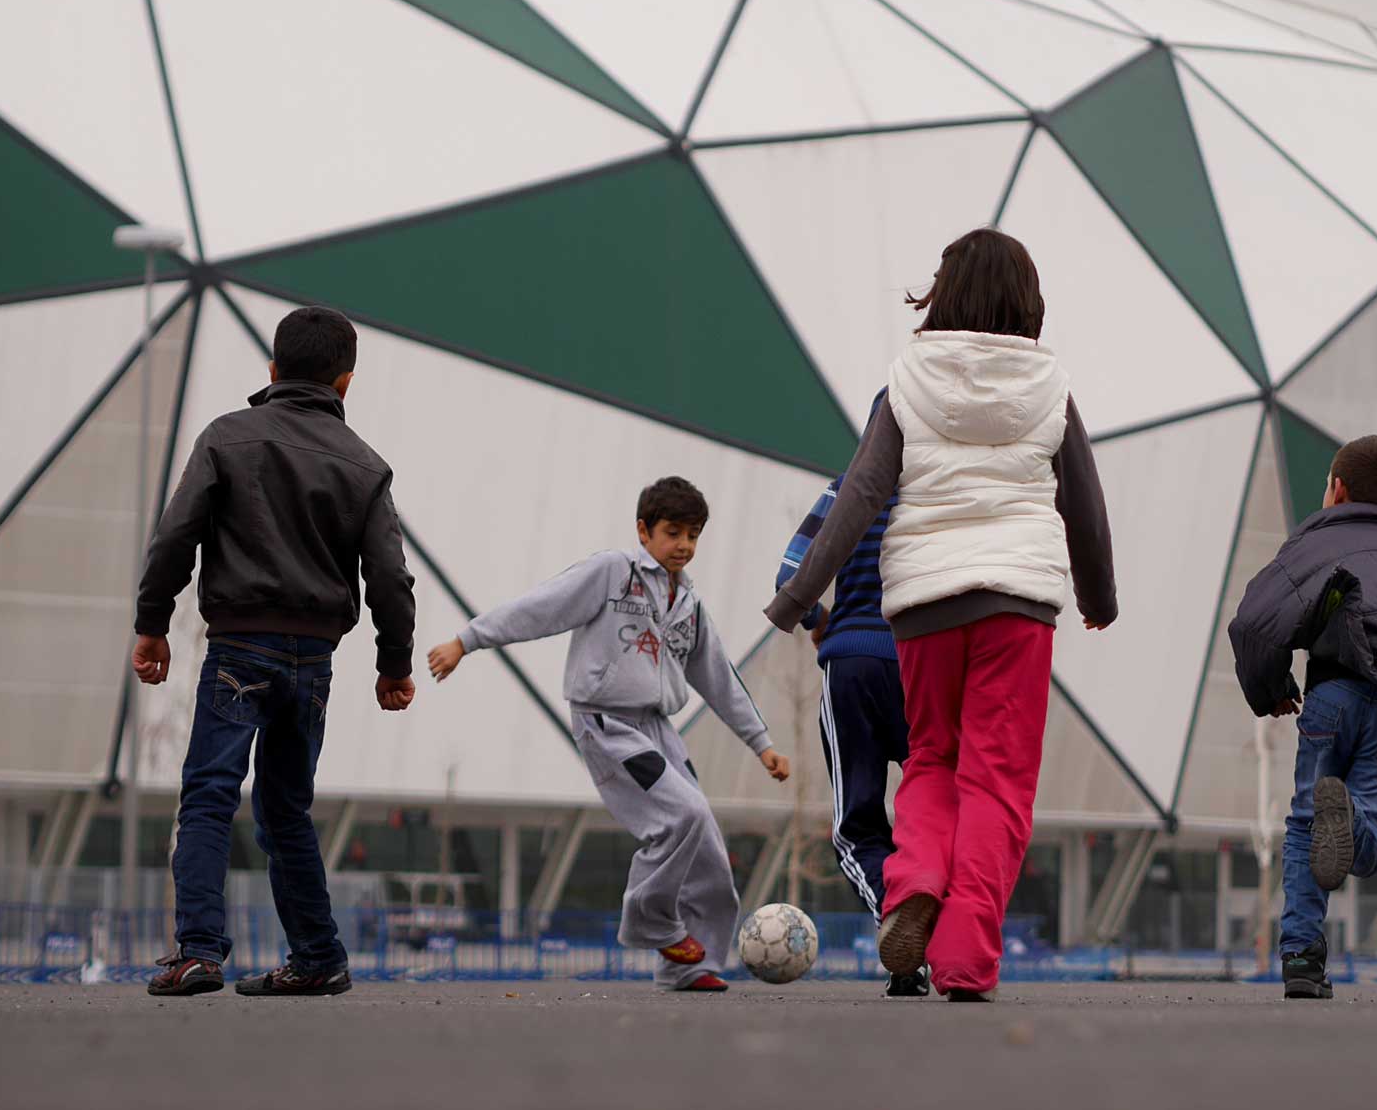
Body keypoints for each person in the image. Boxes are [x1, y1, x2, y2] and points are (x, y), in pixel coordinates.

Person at [766, 228, 1116, 1002]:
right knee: (994, 781)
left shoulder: (906, 384)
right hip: (1016, 607)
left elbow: (858, 497)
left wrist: (797, 598)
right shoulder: (1051, 389)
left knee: (930, 760)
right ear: (1028, 302)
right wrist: (1099, 598)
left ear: (942, 294)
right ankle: (964, 960)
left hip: (921, 607)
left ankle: (915, 881)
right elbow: (1083, 505)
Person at [132, 305, 417, 998]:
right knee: (286, 811)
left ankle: (199, 951)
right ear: (344, 383)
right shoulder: (366, 466)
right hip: (313, 662)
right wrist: (394, 665)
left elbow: (175, 538)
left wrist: (153, 622)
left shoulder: (228, 437)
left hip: (239, 648)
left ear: (271, 370)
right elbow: (389, 577)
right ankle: (319, 957)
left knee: (207, 796)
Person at [426, 476, 790, 992]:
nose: (683, 545)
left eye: (693, 535)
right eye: (672, 532)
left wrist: (762, 744)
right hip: (606, 723)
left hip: (659, 730)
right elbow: (541, 606)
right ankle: (652, 922)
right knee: (678, 816)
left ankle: (691, 966)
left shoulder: (689, 602)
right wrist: (467, 640)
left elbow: (719, 679)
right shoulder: (612, 573)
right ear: (644, 531)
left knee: (707, 845)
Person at [1227, 434, 1377, 999]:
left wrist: (1271, 688)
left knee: (1303, 824)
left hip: (1331, 699)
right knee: (1370, 839)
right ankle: (1355, 826)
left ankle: (1302, 962)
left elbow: (1253, 624)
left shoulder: (1311, 549)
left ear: (1336, 490)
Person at [772, 390, 923, 996]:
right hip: (922, 666)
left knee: (857, 822)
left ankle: (897, 921)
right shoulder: (935, 491)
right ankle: (929, 915)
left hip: (853, 661)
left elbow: (791, 574)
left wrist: (818, 627)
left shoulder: (844, 489)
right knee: (933, 809)